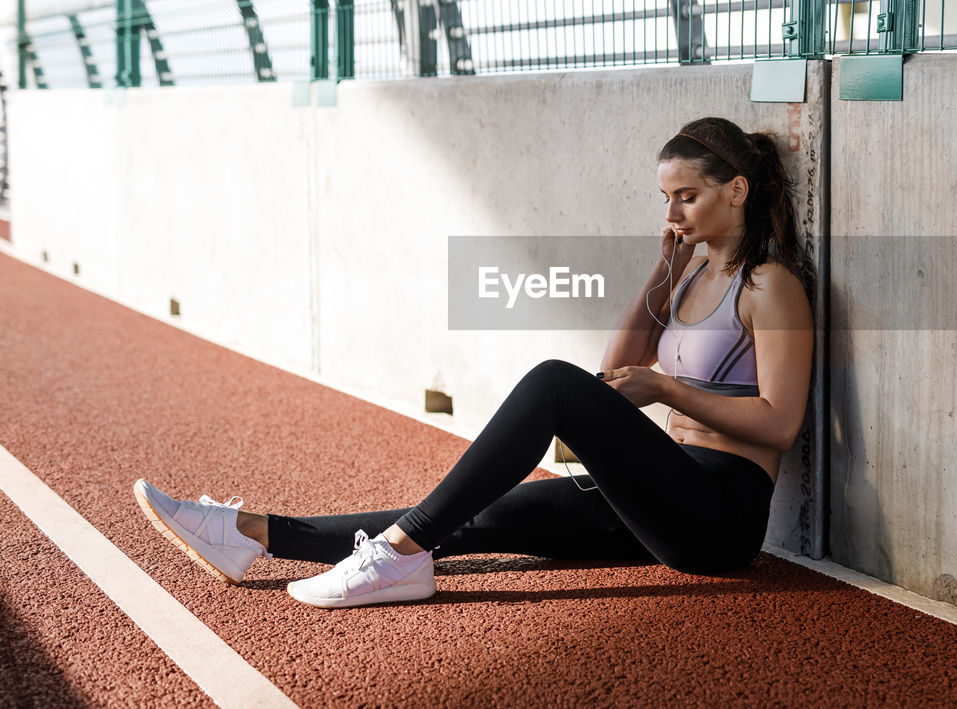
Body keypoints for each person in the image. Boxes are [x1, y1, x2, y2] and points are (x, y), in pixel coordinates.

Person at [134, 116, 815, 608]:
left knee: (552, 383)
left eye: (685, 196)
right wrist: (663, 267)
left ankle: (395, 558)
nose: (671, 211)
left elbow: (780, 423)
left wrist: (666, 387)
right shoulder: (690, 275)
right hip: (658, 494)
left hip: (718, 517)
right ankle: (248, 533)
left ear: (737, 190)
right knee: (466, 516)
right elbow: (614, 369)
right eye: (664, 197)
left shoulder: (770, 286)